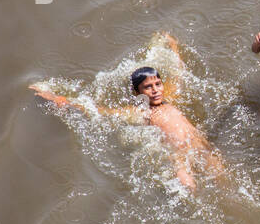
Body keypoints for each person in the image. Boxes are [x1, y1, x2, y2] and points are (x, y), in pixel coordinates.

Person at [30, 33, 228, 192]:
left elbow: (178, 72)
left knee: (223, 177)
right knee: (189, 188)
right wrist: (61, 100)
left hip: (199, 143)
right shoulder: (141, 112)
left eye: (158, 84)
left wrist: (174, 47)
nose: (155, 89)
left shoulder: (172, 97)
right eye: (147, 87)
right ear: (137, 93)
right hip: (177, 155)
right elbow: (99, 111)